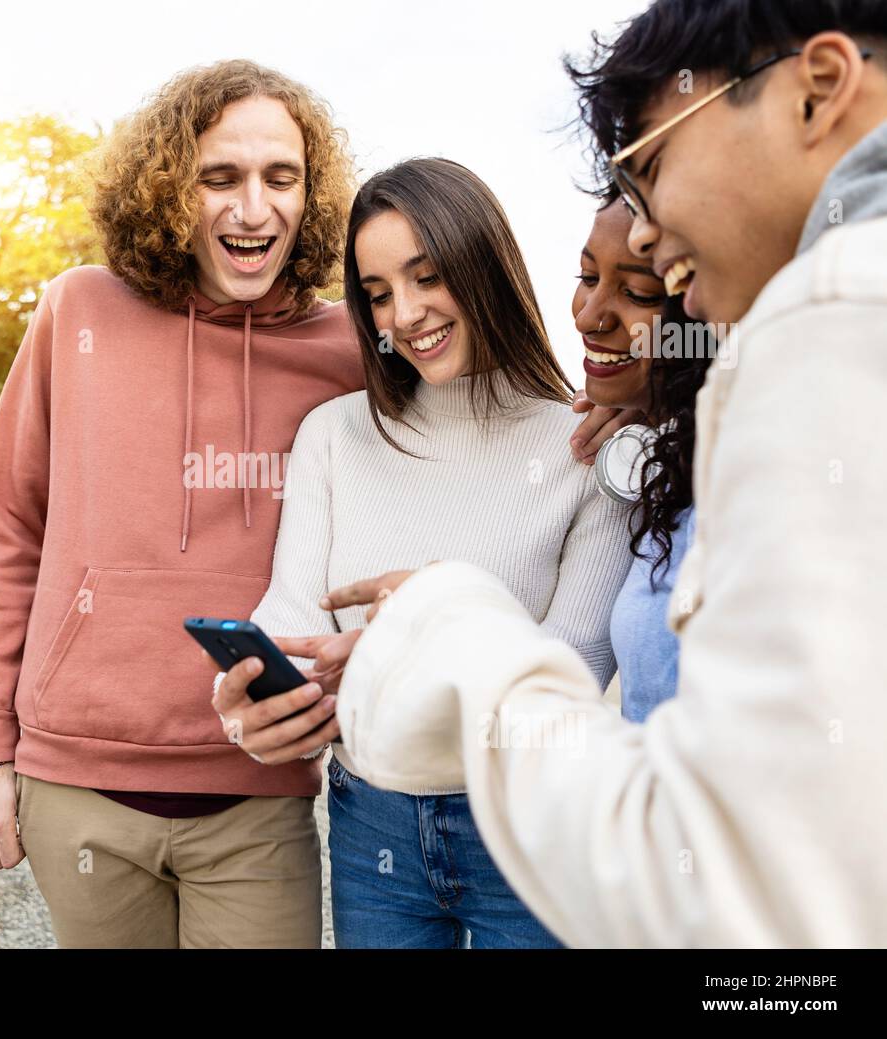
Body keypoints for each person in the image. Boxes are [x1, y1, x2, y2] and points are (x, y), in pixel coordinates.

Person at [320, 0, 887, 946]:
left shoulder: (832, 322)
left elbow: (756, 901)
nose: (650, 232)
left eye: (652, 164)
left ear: (818, 89)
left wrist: (453, 627)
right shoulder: (682, 413)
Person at [0, 60, 366, 948]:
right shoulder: (77, 310)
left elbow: (480, 415)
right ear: (172, 188)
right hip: (77, 796)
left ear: (309, 193)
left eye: (279, 178)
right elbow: (6, 533)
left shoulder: (350, 348)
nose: (253, 209)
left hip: (258, 800)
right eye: (221, 177)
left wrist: (610, 402)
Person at [209, 158, 633, 948]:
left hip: (527, 818)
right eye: (376, 293)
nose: (403, 314)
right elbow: (295, 616)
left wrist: (412, 643)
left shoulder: (582, 444)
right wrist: (253, 699)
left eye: (427, 276)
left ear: (483, 265)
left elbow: (573, 670)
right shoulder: (333, 435)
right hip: (372, 821)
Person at [572, 192, 711, 721]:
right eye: (586, 278)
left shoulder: (742, 490)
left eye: (637, 292)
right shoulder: (659, 453)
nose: (589, 317)